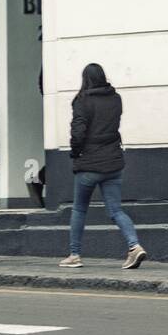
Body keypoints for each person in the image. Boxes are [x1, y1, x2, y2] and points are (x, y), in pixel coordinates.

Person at [62, 63, 145, 270]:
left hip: (89, 163)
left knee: (80, 209)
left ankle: (74, 255)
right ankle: (134, 246)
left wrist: (75, 152)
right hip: (113, 162)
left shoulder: (82, 101)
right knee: (116, 210)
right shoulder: (116, 99)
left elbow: (78, 132)